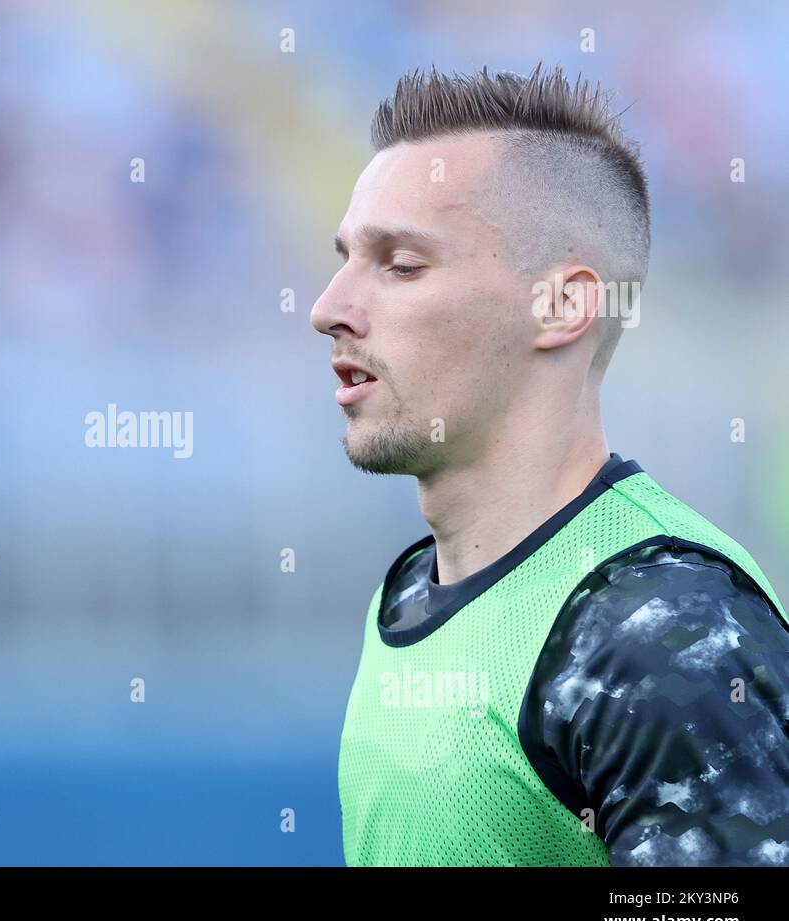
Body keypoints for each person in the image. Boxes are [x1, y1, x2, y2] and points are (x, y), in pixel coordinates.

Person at [311, 65, 789, 866]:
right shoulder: (408, 592)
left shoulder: (662, 628)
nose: (329, 307)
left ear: (563, 306)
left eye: (400, 264)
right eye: (346, 257)